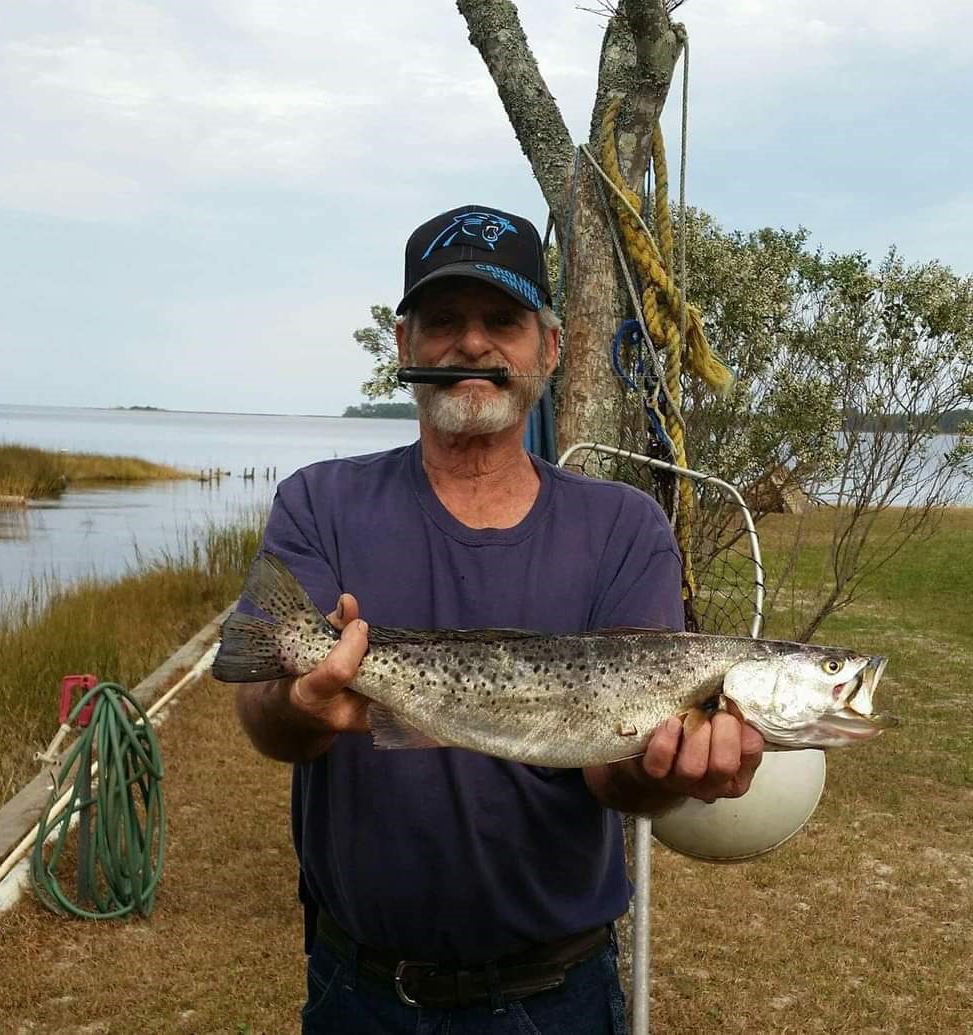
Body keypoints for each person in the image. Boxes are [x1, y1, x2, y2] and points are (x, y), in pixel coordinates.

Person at [233, 203, 764, 1034]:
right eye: (443, 321)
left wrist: (660, 771)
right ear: (405, 348)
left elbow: (611, 772)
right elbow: (265, 713)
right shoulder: (319, 502)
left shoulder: (623, 528)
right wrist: (300, 703)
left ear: (547, 350)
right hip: (357, 988)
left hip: (555, 996)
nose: (471, 345)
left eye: (502, 321)